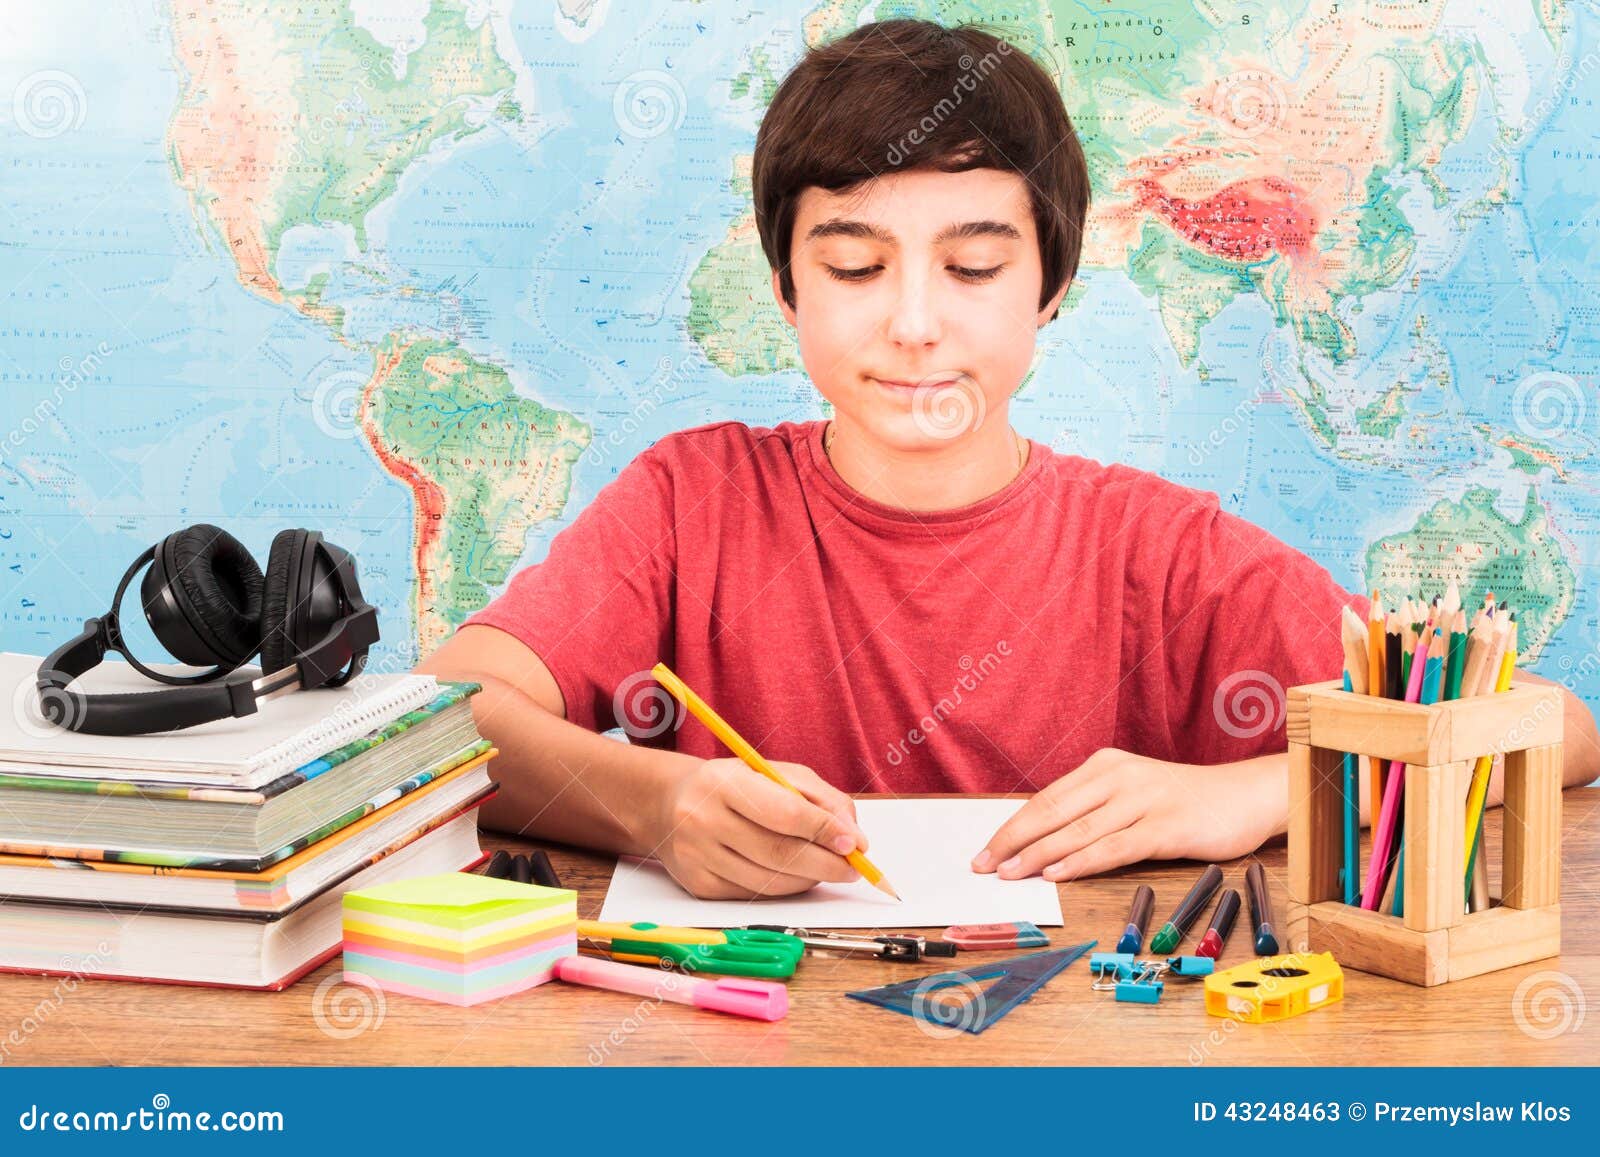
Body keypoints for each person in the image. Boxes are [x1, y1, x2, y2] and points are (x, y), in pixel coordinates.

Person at [417, 19, 1598, 899]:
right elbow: (449, 716)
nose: (916, 322)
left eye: (974, 269)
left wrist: (1254, 793)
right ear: (785, 287)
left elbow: (1558, 727)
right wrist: (658, 805)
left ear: (1051, 292)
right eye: (853, 265)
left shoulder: (1159, 548)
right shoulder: (689, 500)